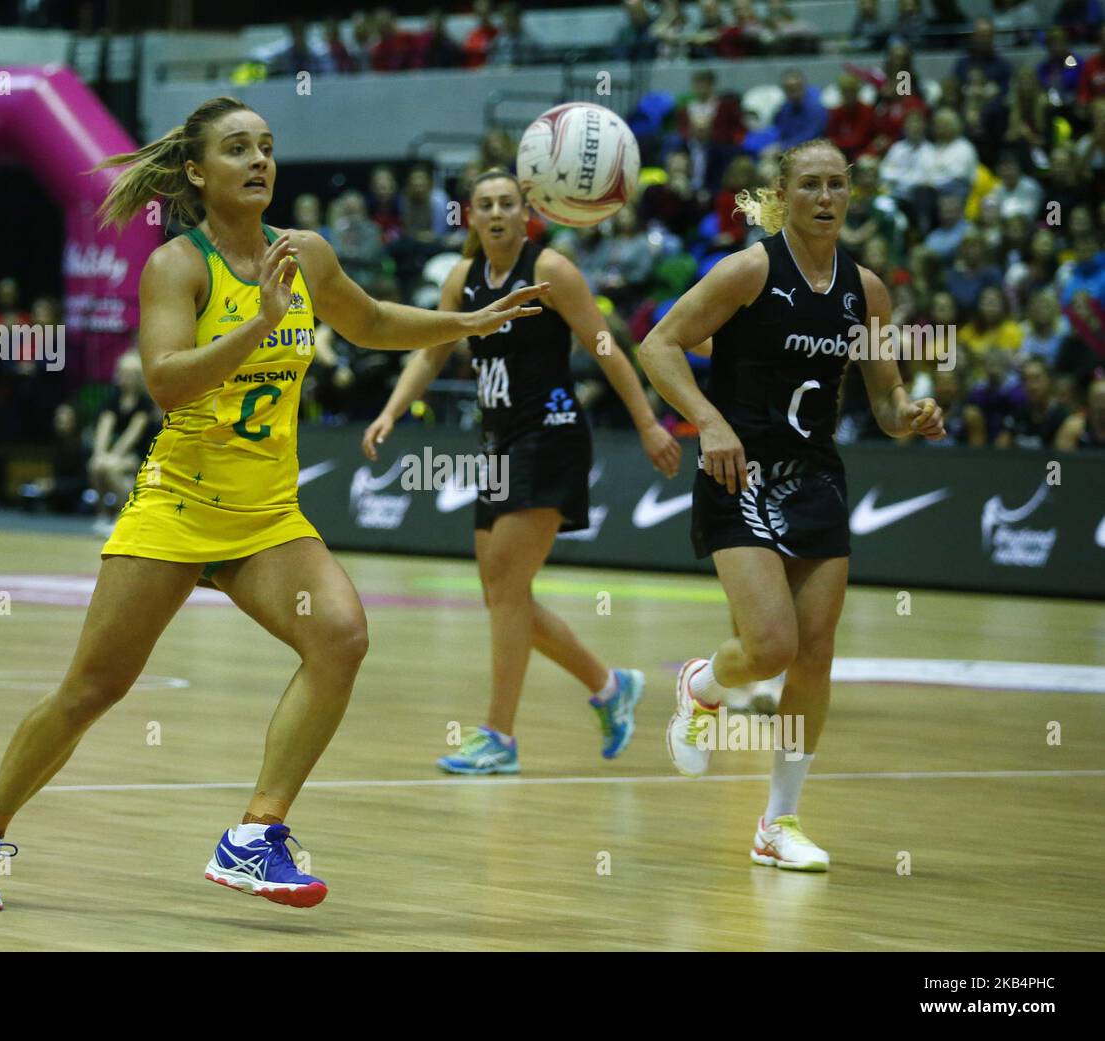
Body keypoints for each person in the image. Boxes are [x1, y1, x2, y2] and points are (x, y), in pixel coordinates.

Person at [0, 96, 548, 913]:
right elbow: (165, 381)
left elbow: (367, 321)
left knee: (340, 634)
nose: (259, 160)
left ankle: (255, 834)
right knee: (94, 687)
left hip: (264, 516)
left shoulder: (307, 253)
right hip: (178, 505)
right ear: (197, 172)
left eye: (266, 146)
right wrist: (259, 323)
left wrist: (464, 320)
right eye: (237, 149)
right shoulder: (177, 265)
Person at [637, 138, 945, 871]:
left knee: (814, 653)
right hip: (738, 469)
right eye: (811, 184)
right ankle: (701, 684)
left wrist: (911, 416)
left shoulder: (865, 289)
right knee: (770, 644)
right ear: (785, 192)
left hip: (815, 477)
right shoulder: (750, 268)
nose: (826, 196)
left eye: (838, 183)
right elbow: (658, 344)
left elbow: (885, 395)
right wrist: (708, 420)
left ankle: (779, 822)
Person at [360, 168, 681, 774]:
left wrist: (646, 421)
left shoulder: (550, 270)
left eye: (509, 202)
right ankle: (610, 687)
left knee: (507, 592)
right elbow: (431, 353)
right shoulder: (462, 278)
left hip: (553, 436)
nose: (499, 212)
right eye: (487, 204)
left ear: (525, 211)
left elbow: (605, 345)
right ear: (472, 218)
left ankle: (499, 738)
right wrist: (391, 411)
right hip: (498, 444)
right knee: (501, 597)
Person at [89, 351, 157, 536]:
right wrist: (100, 454)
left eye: (131, 373)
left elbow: (132, 435)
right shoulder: (113, 399)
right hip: (119, 455)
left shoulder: (145, 404)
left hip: (141, 456)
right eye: (123, 372)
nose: (126, 377)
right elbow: (104, 428)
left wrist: (113, 457)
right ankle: (103, 515)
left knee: (112, 469)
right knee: (96, 466)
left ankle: (123, 516)